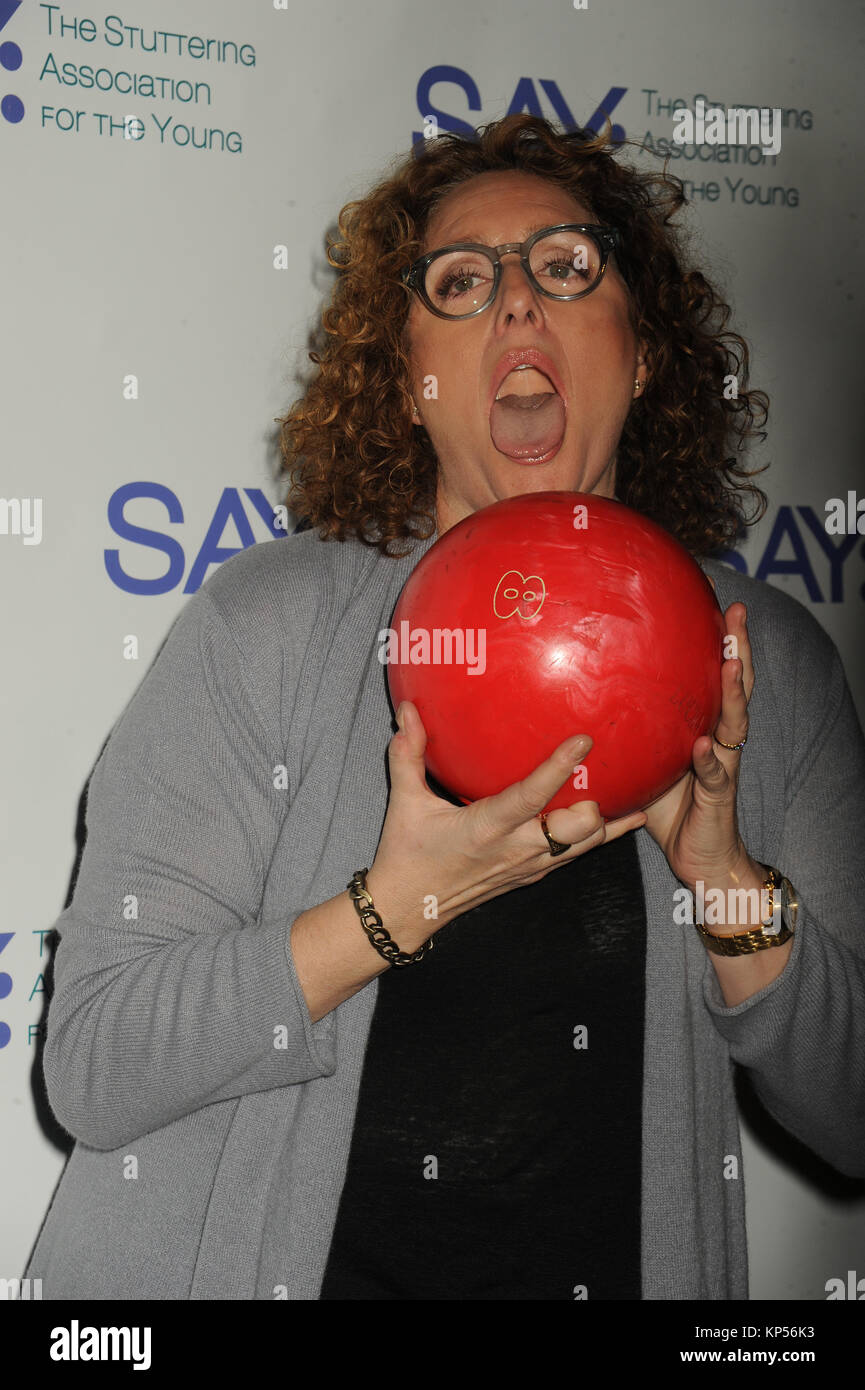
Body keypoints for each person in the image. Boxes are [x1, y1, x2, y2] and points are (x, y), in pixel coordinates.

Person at [25, 114, 865, 1301]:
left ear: (641, 355)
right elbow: (98, 1065)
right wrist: (388, 908)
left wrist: (723, 876)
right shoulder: (265, 626)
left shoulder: (761, 659)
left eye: (567, 265)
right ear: (408, 385)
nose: (518, 304)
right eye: (462, 281)